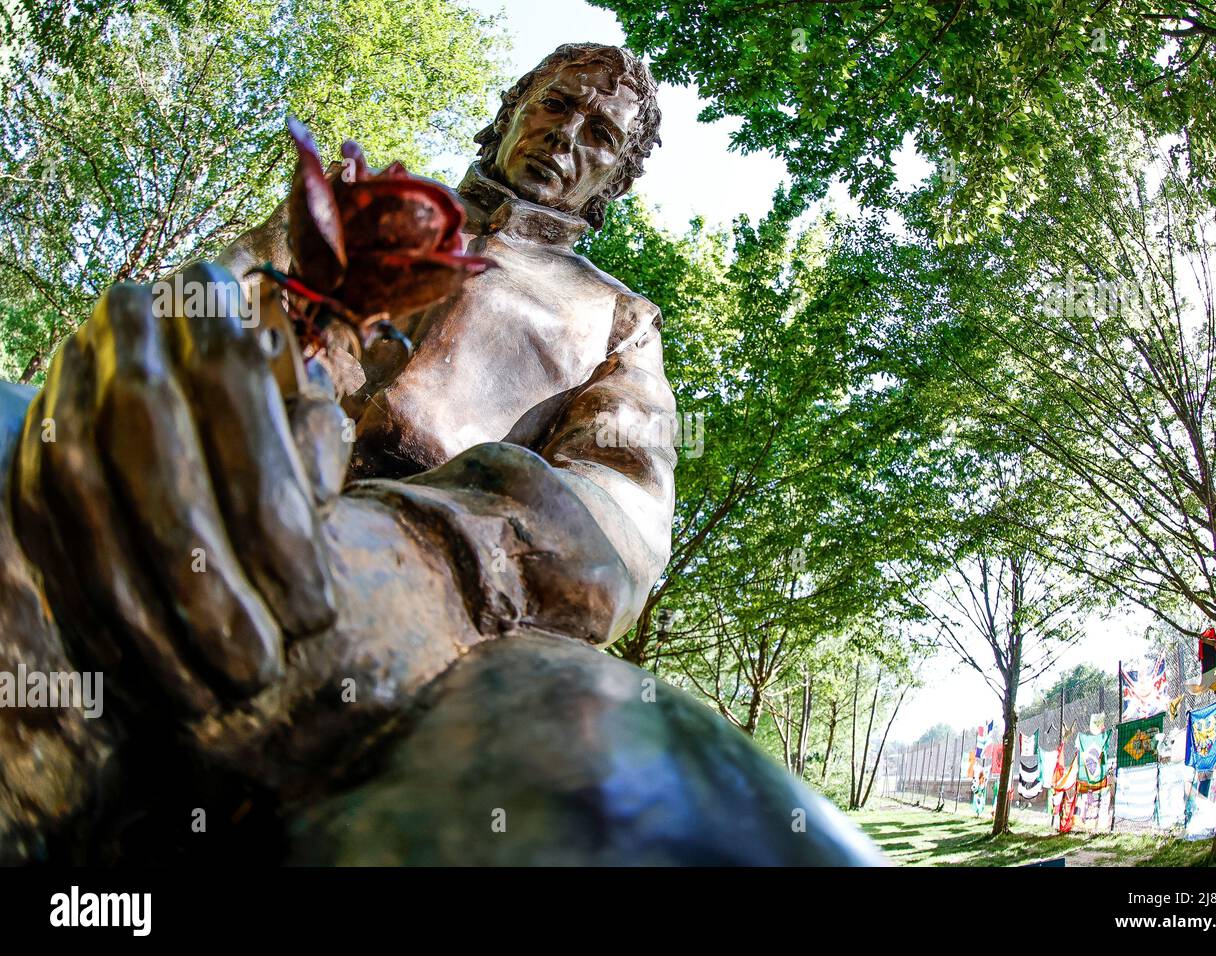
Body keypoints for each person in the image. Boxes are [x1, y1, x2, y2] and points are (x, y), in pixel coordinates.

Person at [0, 43, 881, 865]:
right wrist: (160, 378)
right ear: (510, 115)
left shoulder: (618, 319)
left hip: (457, 612)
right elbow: (194, 303)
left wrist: (436, 559)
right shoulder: (367, 203)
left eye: (600, 134)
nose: (567, 135)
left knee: (659, 793)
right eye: (556, 104)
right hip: (200, 481)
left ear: (612, 179)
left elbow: (624, 511)